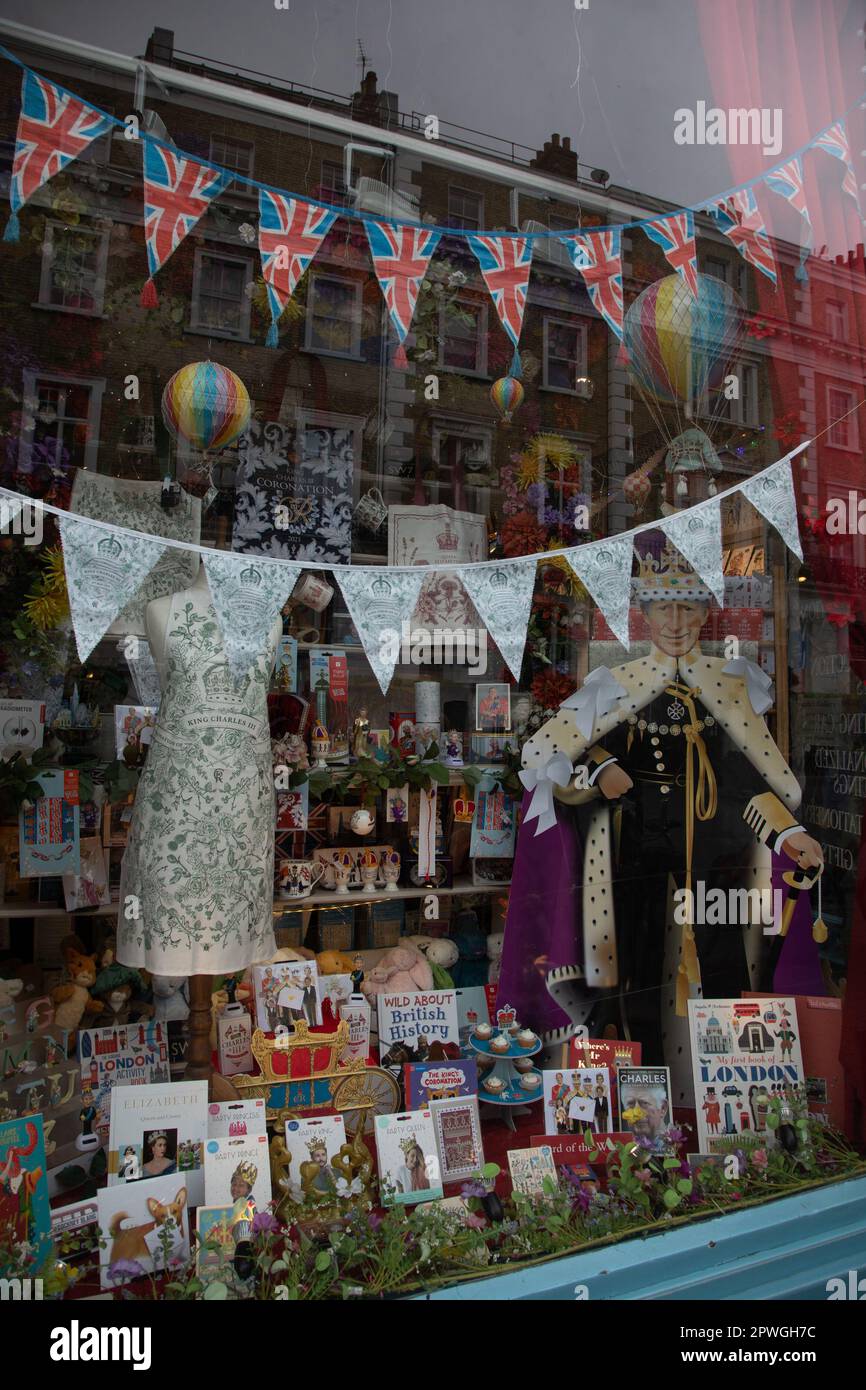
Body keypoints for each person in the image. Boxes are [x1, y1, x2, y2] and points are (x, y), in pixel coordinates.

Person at [513, 544, 824, 1102]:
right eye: (663, 610)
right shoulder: (619, 682)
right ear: (645, 617)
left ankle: (737, 1101)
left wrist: (788, 832)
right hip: (635, 856)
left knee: (728, 965)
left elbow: (750, 778)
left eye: (687, 610)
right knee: (634, 974)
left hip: (718, 855)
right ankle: (643, 1102)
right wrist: (601, 767)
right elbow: (552, 753)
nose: (675, 623)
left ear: (706, 614)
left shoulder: (726, 688)